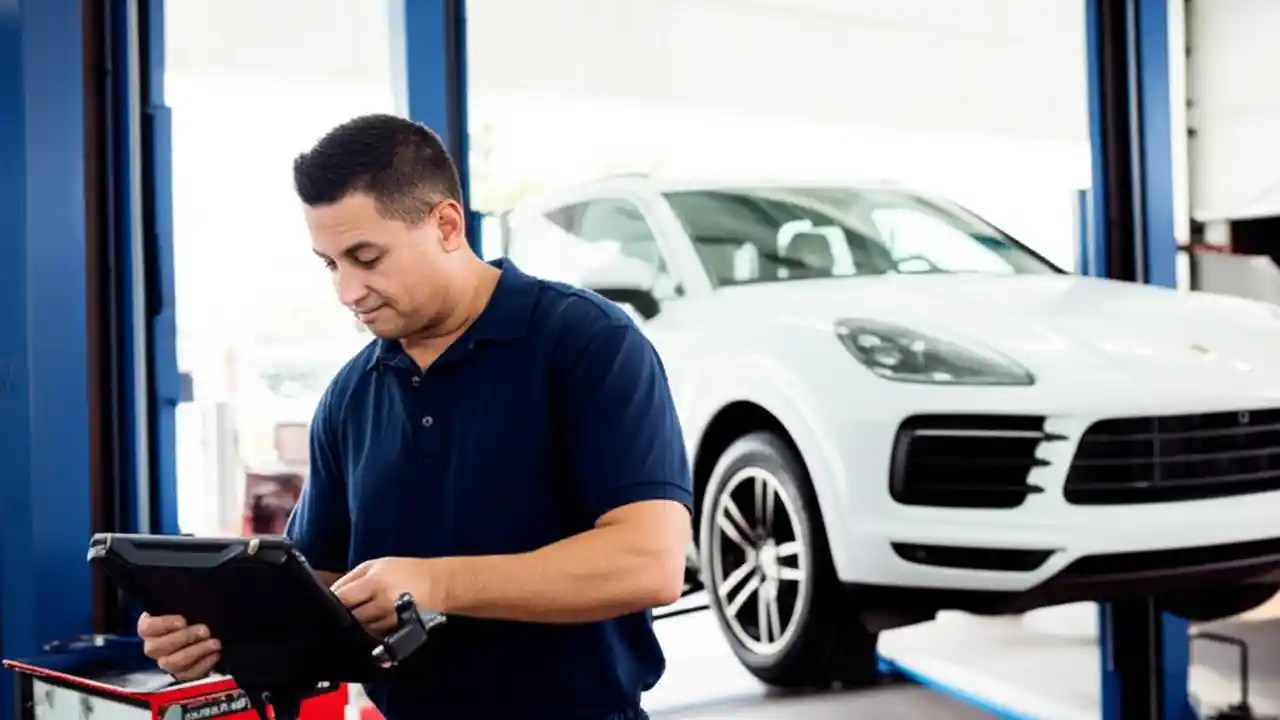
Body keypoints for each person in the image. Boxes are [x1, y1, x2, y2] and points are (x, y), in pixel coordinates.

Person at [136, 113, 694, 719]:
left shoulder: (587, 344)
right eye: (330, 264)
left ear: (447, 225)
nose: (347, 291)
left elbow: (649, 562)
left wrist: (438, 584)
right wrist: (216, 629)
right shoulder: (351, 396)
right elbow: (318, 586)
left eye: (366, 257)